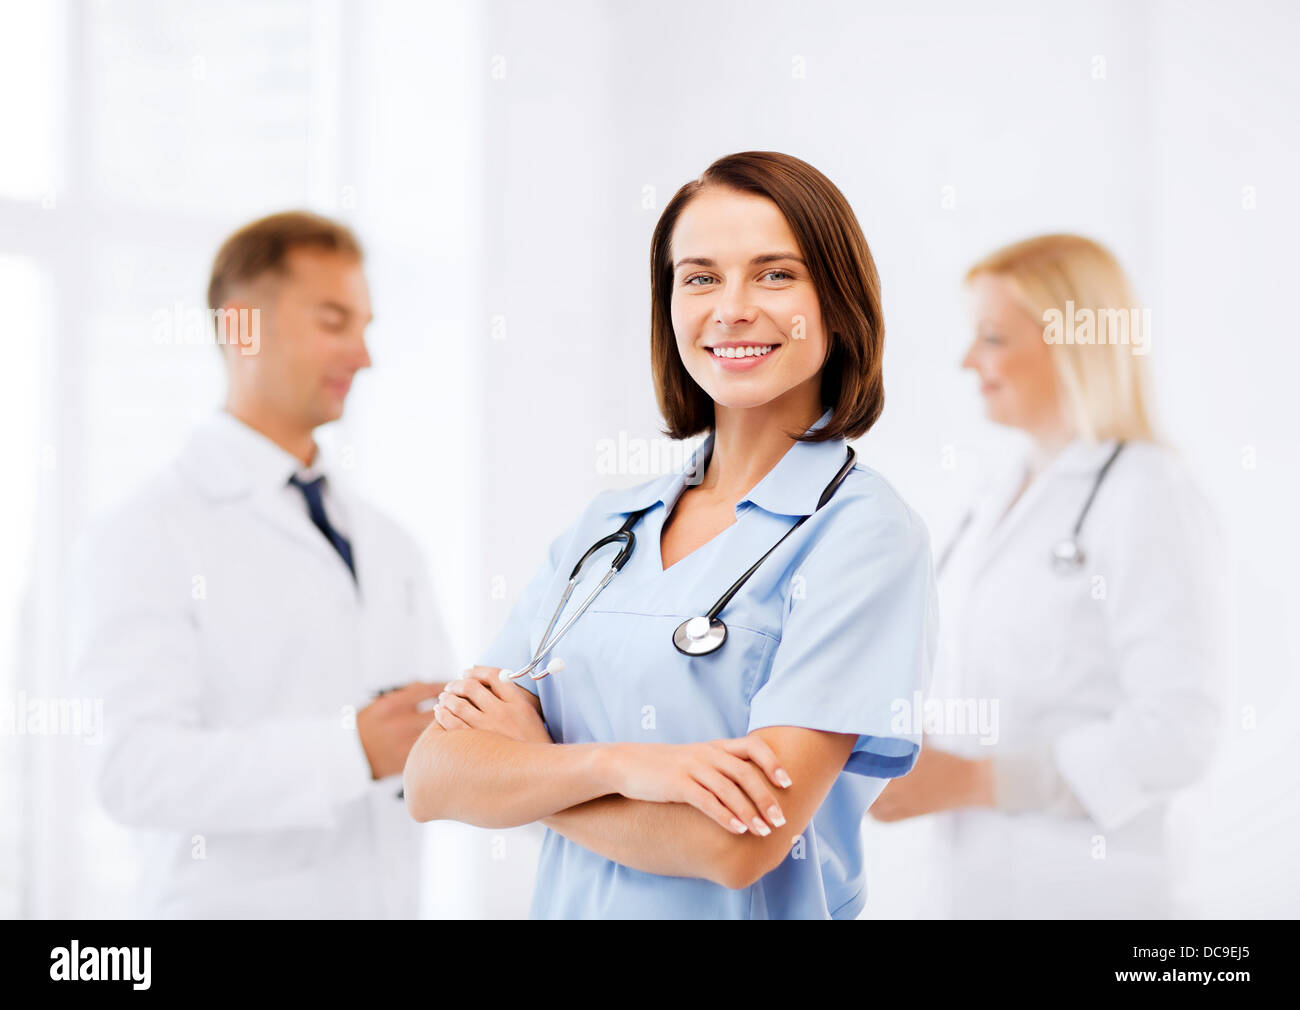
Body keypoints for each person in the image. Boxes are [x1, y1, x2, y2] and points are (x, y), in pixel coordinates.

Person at [403, 152, 939, 919]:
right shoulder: (606, 530)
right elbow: (434, 778)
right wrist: (630, 766)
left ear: (837, 303)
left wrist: (530, 775)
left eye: (776, 274)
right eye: (700, 277)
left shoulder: (864, 537)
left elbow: (738, 846)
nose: (732, 308)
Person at [69, 211, 454, 918]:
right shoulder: (148, 530)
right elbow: (131, 771)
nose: (363, 355)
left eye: (365, 326)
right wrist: (348, 752)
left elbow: (432, 736)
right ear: (243, 328)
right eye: (335, 322)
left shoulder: (388, 541)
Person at [869, 234, 1229, 918]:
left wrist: (979, 781)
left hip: (1099, 894)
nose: (968, 360)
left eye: (993, 338)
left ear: (1075, 342)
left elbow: (1182, 730)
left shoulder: (1147, 493)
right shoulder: (1001, 490)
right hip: (975, 887)